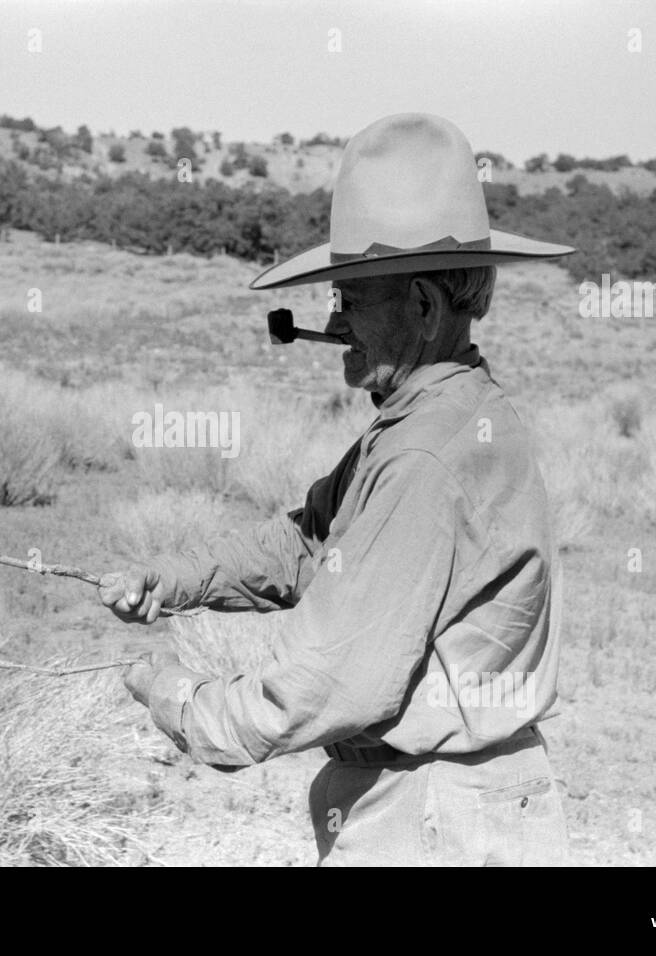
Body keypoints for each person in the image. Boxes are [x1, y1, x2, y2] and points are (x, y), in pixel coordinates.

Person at [101, 113, 574, 866]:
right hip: (455, 806)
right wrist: (178, 581)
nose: (334, 322)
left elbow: (328, 682)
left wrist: (180, 699)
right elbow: (309, 541)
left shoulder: (427, 450)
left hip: (432, 820)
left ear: (422, 307)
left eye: (353, 299)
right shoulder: (440, 415)